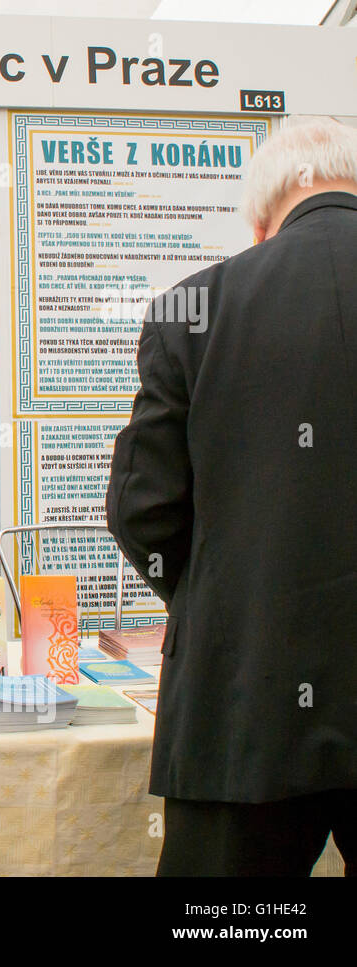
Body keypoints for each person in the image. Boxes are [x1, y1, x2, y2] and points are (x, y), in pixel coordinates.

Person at [106, 119, 357, 876]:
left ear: (260, 220)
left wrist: (220, 593)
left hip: (245, 697)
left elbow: (144, 510)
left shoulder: (196, 308)